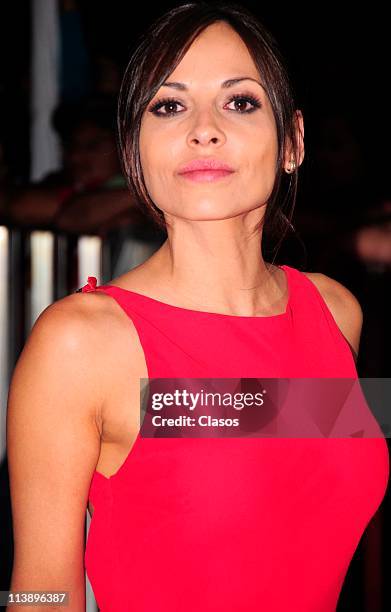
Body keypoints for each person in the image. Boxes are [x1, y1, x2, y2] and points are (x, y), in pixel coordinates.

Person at [6, 2, 389, 611]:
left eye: (240, 102)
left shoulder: (336, 311)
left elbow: (268, 472)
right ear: (134, 148)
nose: (203, 128)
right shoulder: (82, 342)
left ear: (293, 140)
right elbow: (41, 595)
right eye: (169, 105)